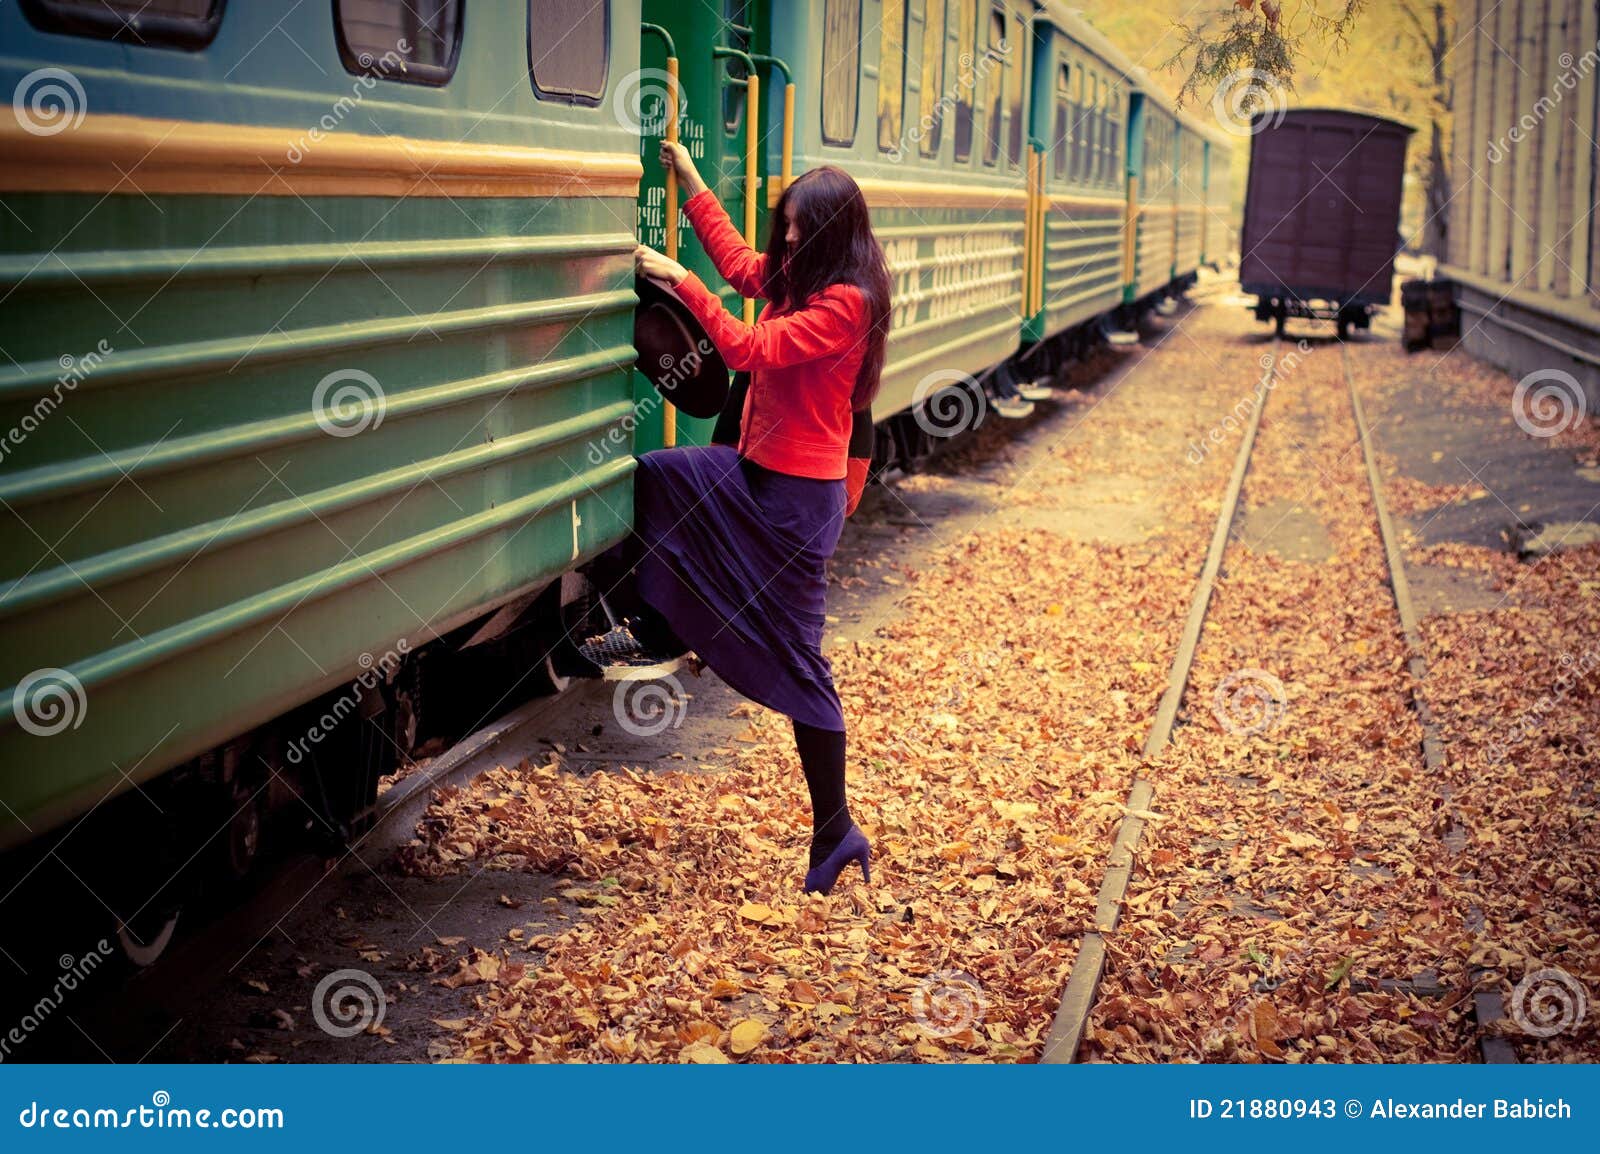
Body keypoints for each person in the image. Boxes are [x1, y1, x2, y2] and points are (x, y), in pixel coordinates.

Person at [614, 142, 891, 895]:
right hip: (759, 474)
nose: (788, 239)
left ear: (834, 234)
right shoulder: (804, 277)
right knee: (657, 477)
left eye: (801, 229)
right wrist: (691, 181)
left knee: (803, 664)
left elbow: (744, 347)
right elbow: (741, 266)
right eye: (786, 225)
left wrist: (678, 280)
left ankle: (835, 831)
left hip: (799, 505)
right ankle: (658, 626)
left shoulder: (846, 303)